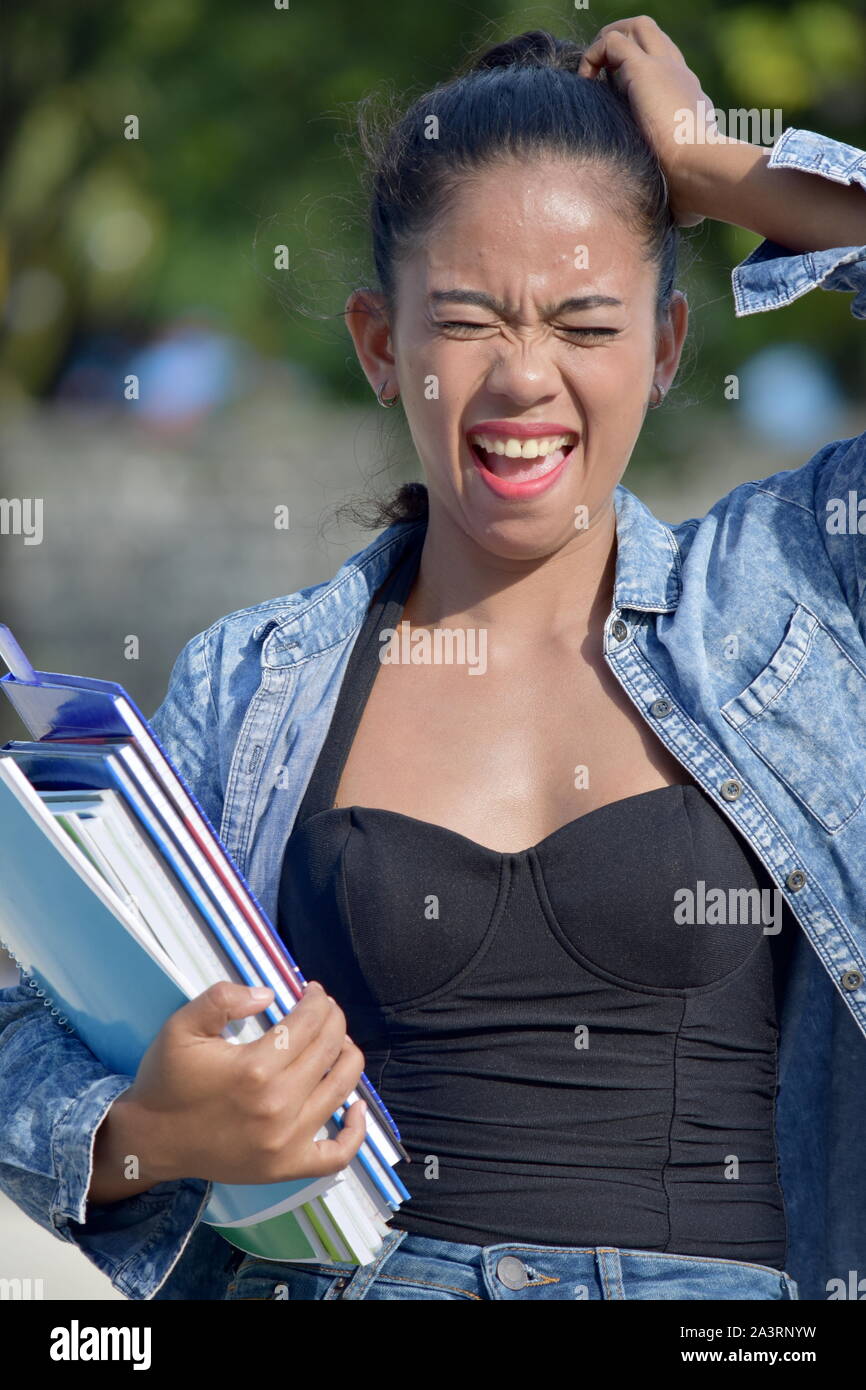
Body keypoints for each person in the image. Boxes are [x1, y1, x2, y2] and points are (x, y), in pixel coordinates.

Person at [1, 20, 865, 1302]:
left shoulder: (796, 586)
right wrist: (155, 1132)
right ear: (377, 344)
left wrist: (717, 163)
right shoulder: (255, 681)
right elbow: (33, 1034)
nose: (525, 378)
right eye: (466, 322)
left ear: (667, 347)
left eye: (585, 321)